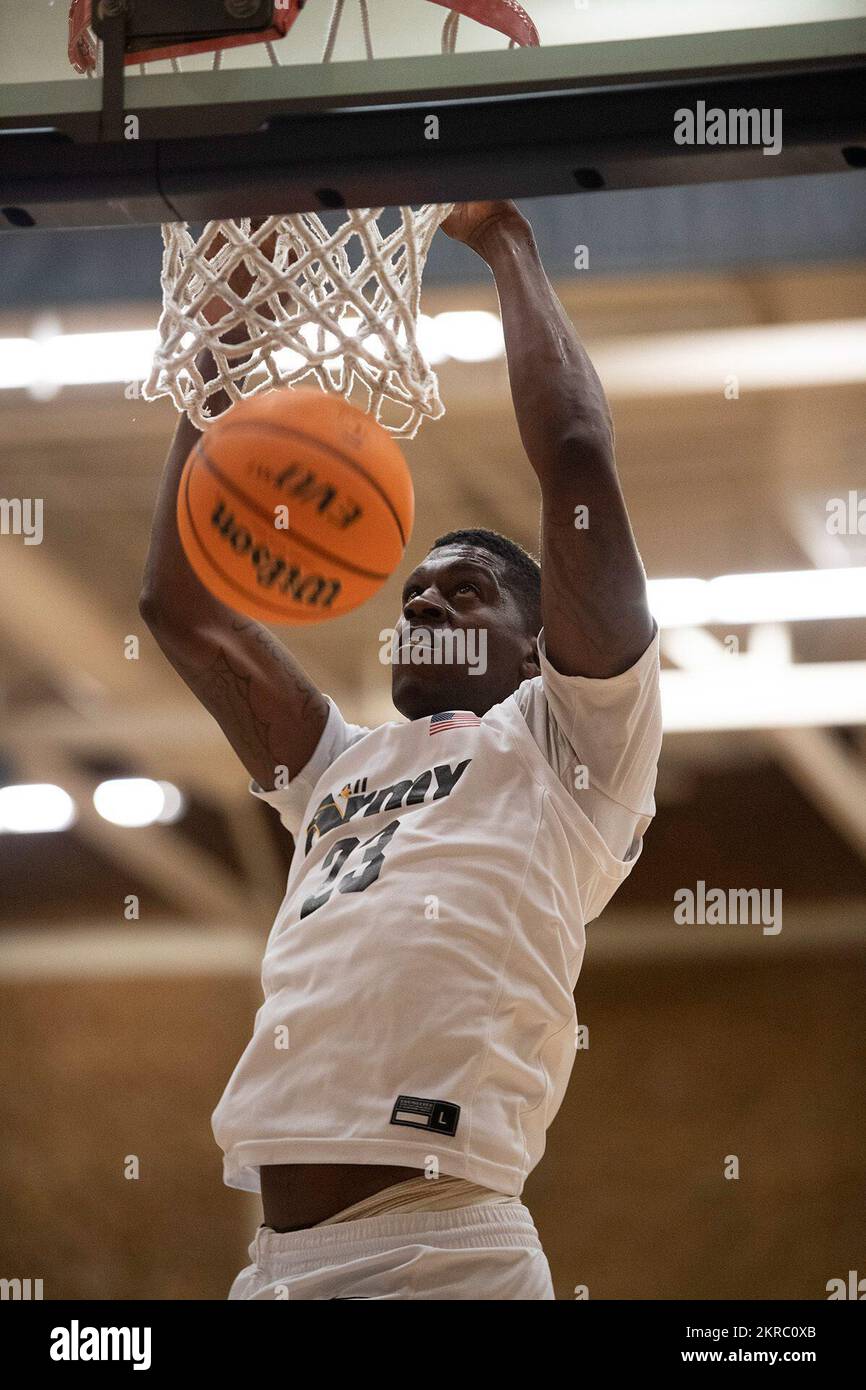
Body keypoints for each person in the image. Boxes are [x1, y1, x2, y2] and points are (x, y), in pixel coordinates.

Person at [139, 200, 662, 1300]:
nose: (422, 594)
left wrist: (503, 239)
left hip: (442, 1254)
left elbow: (573, 458)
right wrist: (230, 320)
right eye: (414, 585)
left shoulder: (569, 751)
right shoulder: (337, 766)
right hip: (276, 1265)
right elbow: (180, 602)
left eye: (463, 588)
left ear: (535, 649)